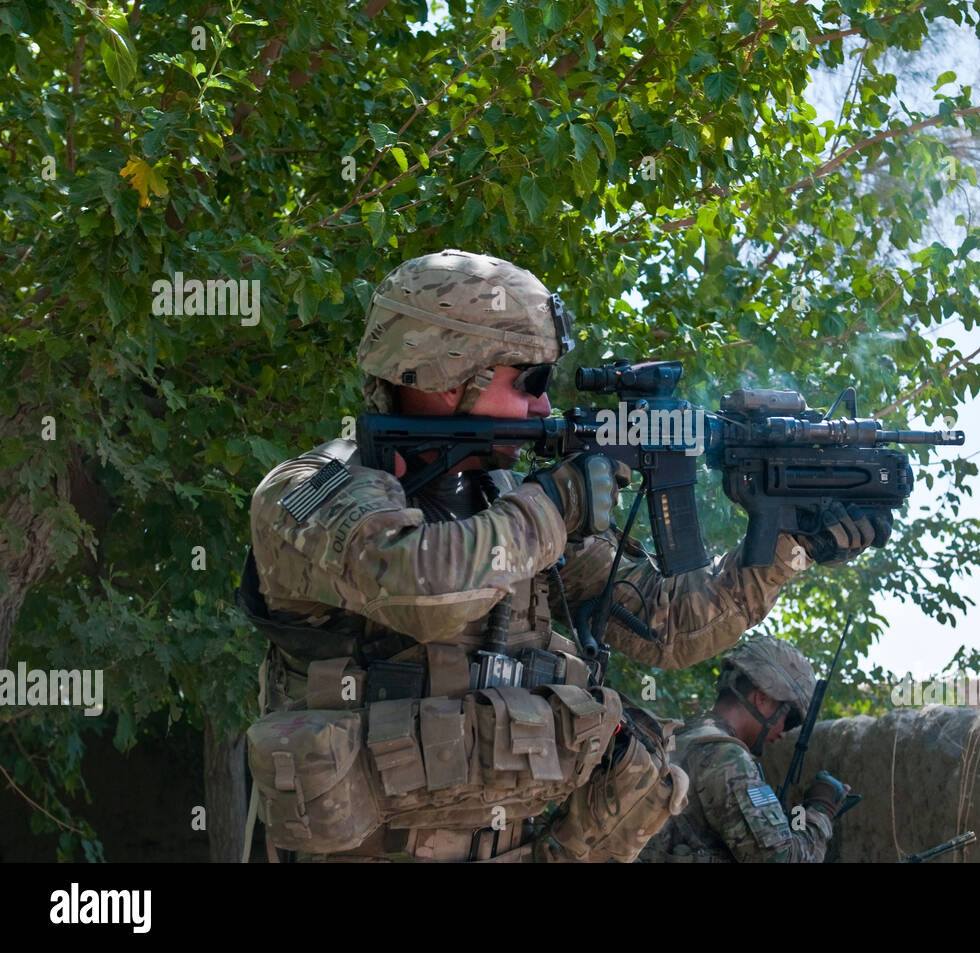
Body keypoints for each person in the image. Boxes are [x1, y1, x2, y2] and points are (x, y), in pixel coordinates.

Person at [238, 249, 885, 862]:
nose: (546, 404)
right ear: (443, 372)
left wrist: (788, 545)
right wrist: (563, 496)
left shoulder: (514, 506)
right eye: (530, 379)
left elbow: (668, 625)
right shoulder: (311, 492)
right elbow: (421, 589)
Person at [638, 636, 851, 862]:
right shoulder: (726, 757)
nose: (783, 732)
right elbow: (780, 859)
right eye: (788, 719)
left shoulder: (678, 734)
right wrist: (821, 811)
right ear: (762, 698)